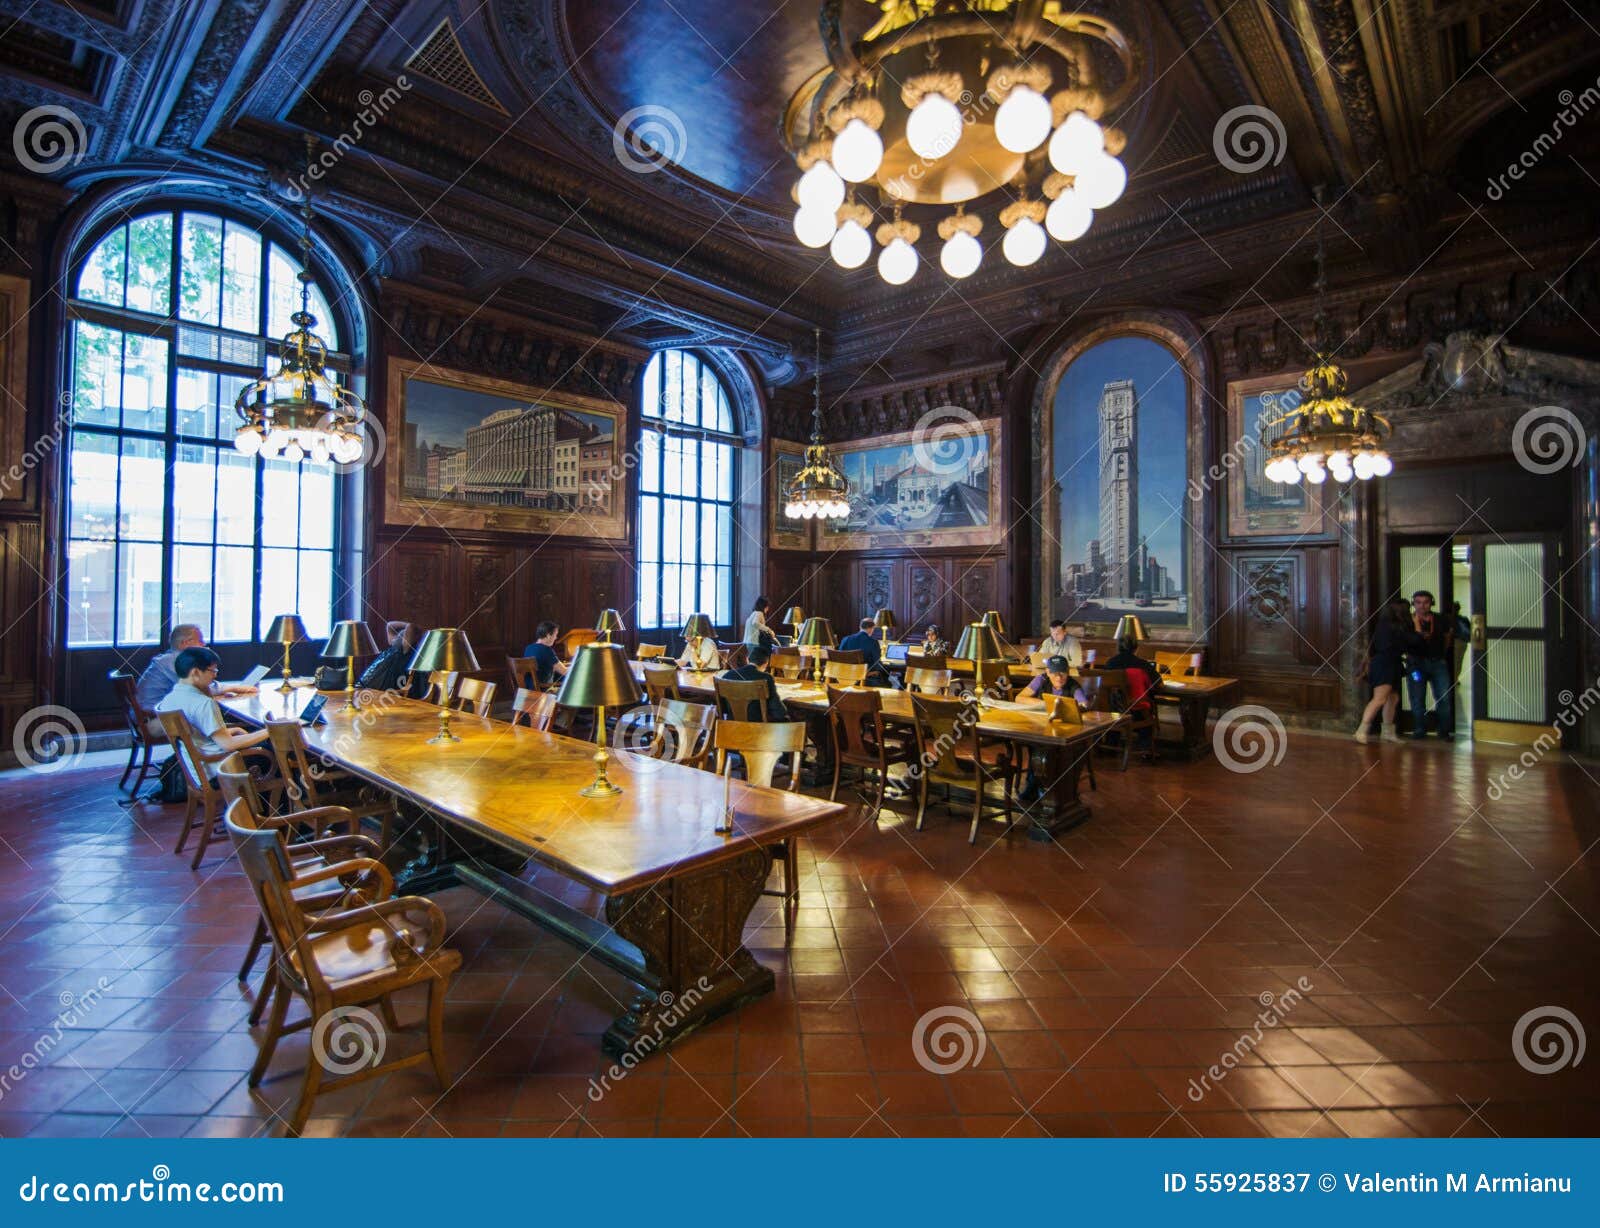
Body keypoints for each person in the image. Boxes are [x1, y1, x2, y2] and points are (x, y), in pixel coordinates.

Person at [155, 647, 270, 771]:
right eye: (212, 670)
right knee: (276, 751)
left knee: (260, 739)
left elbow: (199, 736)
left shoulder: (169, 700)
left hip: (196, 768)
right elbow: (228, 744)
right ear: (195, 672)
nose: (215, 675)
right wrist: (270, 730)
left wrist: (233, 730)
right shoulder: (203, 703)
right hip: (220, 768)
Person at [136, 625, 256, 731]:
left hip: (156, 713)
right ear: (185, 643)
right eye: (200, 640)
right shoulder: (173, 661)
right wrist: (234, 688)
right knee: (219, 719)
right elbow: (200, 687)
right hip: (153, 719)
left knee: (217, 715)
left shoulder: (169, 659)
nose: (204, 645)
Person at [1353, 600, 1411, 743]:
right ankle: (1361, 730)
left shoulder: (1384, 625)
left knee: (1392, 698)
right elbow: (1403, 644)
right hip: (1385, 663)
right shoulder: (1394, 627)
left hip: (1390, 663)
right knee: (1380, 698)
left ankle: (1387, 731)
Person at [1406, 589, 1453, 740]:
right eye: (1418, 602)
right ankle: (1420, 729)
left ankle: (1443, 730)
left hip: (1437, 662)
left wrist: (1441, 655)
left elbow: (1447, 638)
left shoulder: (1440, 619)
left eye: (1425, 602)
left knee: (1443, 696)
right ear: (1413, 604)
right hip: (1415, 664)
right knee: (1417, 697)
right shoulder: (1408, 621)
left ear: (1431, 603)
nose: (1422, 606)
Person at [1104, 631, 1160, 751]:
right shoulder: (1142, 665)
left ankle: (1111, 745)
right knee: (1145, 707)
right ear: (1136, 648)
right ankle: (1145, 748)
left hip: (1113, 711)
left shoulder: (1110, 664)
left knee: (1116, 704)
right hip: (1136, 712)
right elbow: (1158, 684)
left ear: (1118, 647)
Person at [719, 642, 788, 722]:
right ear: (766, 664)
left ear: (748, 659)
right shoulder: (766, 678)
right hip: (757, 728)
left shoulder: (728, 675)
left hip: (731, 726)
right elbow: (779, 712)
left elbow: (723, 708)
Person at [359, 621, 428, 698]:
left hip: (389, 679)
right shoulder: (393, 645)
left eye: (401, 636)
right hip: (375, 678)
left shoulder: (406, 650)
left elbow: (411, 626)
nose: (397, 637)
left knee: (367, 691)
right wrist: (406, 626)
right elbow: (390, 625)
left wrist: (418, 629)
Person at [838, 617, 890, 685]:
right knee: (887, 681)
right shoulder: (873, 642)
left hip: (844, 677)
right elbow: (877, 664)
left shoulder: (846, 639)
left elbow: (839, 658)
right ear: (871, 628)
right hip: (865, 678)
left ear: (860, 627)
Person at [521, 621, 569, 689]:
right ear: (548, 635)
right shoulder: (546, 650)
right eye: (555, 635)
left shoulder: (528, 648)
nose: (556, 638)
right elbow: (565, 672)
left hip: (529, 690)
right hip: (543, 690)